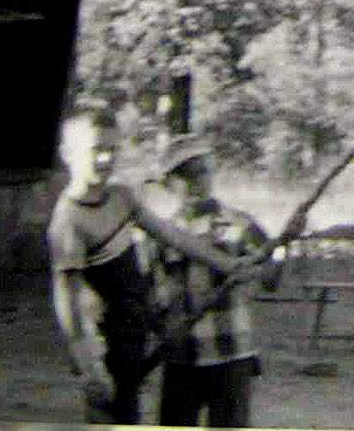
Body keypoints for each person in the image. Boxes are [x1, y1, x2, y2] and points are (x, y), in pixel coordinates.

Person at [47, 111, 248, 425]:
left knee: (132, 415)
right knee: (112, 417)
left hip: (135, 336)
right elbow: (67, 304)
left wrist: (227, 263)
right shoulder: (69, 221)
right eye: (95, 150)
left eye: (112, 150)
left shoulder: (120, 196)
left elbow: (175, 237)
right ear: (68, 154)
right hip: (103, 344)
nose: (104, 159)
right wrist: (88, 365)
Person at [153, 134, 279, 429]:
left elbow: (272, 275)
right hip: (182, 357)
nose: (197, 181)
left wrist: (258, 268)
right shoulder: (160, 234)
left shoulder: (240, 225)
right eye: (186, 174)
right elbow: (153, 293)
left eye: (203, 170)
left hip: (231, 354)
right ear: (170, 182)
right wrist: (163, 326)